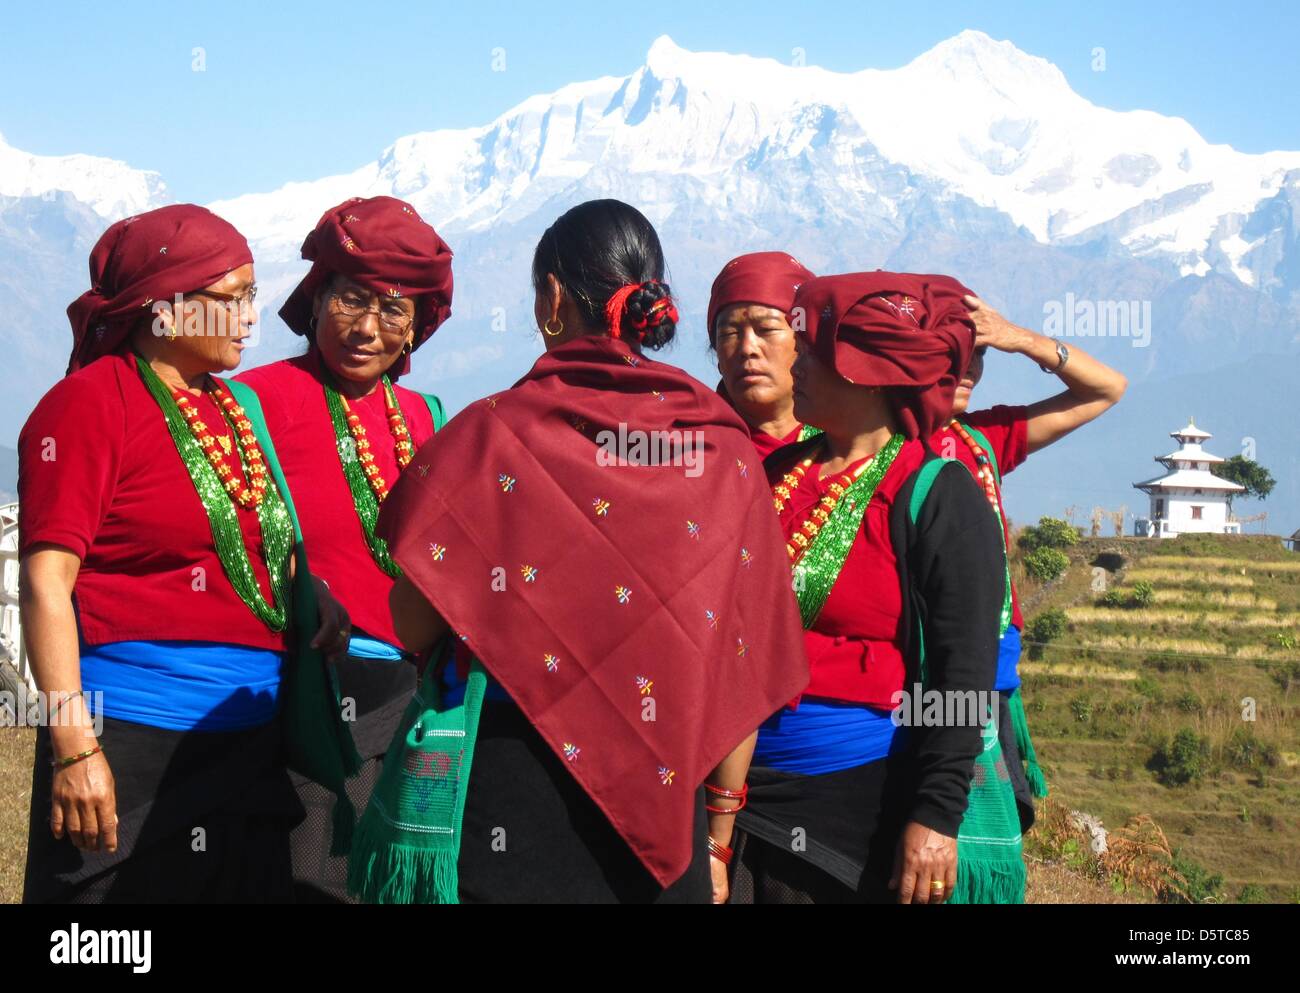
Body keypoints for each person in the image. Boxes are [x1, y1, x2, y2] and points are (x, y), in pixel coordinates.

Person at [346, 199, 809, 904]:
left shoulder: (491, 436)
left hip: (511, 800)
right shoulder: (723, 453)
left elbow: (413, 624)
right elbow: (746, 660)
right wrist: (717, 831)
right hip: (667, 802)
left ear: (553, 299)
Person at [19, 204, 351, 903]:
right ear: (162, 309)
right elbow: (48, 583)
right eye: (230, 300)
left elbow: (259, 537)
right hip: (134, 746)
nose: (250, 320)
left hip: (249, 747)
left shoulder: (234, 410)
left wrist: (306, 590)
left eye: (251, 298)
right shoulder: (88, 405)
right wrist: (75, 747)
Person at [730, 272, 1024, 904]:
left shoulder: (938, 495)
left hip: (855, 805)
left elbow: (962, 673)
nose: (791, 362)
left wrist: (937, 817)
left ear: (862, 369)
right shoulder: (773, 473)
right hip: (737, 796)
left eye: (809, 351)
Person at [236, 195, 453, 902]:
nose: (367, 328)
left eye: (393, 311)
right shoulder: (252, 402)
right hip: (308, 694)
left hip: (418, 702)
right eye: (350, 300)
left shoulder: (430, 419)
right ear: (316, 296)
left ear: (417, 326)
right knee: (310, 881)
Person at [929, 296, 1129, 828]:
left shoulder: (982, 438)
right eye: (951, 353)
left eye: (978, 354)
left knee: (979, 826)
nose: (968, 368)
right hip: (914, 664)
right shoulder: (870, 441)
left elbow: (1108, 387)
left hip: (988, 663)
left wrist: (1021, 339)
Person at [708, 252, 818, 457]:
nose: (747, 348)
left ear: (805, 342)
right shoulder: (695, 451)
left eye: (766, 329)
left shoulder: (851, 444)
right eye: (729, 333)